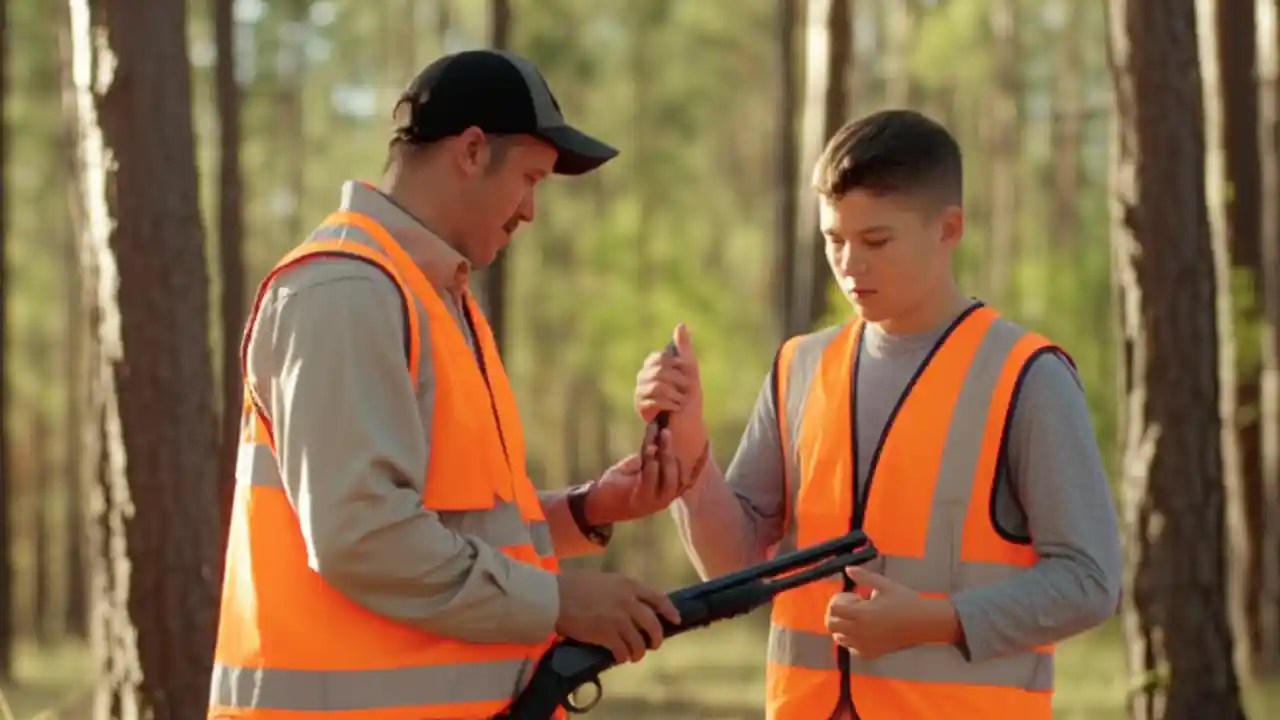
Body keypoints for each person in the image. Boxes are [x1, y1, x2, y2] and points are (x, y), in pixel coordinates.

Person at [208, 49, 695, 720]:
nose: (531, 211)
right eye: (529, 178)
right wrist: (557, 601)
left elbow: (455, 524)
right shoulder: (345, 292)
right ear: (470, 151)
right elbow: (362, 534)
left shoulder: (431, 297)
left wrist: (589, 509)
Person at [634, 109, 1123, 719]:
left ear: (949, 229)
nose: (849, 264)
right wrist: (690, 460)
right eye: (833, 240)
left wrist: (936, 621)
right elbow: (732, 569)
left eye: (876, 241)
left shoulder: (1027, 377)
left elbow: (1089, 582)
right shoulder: (799, 367)